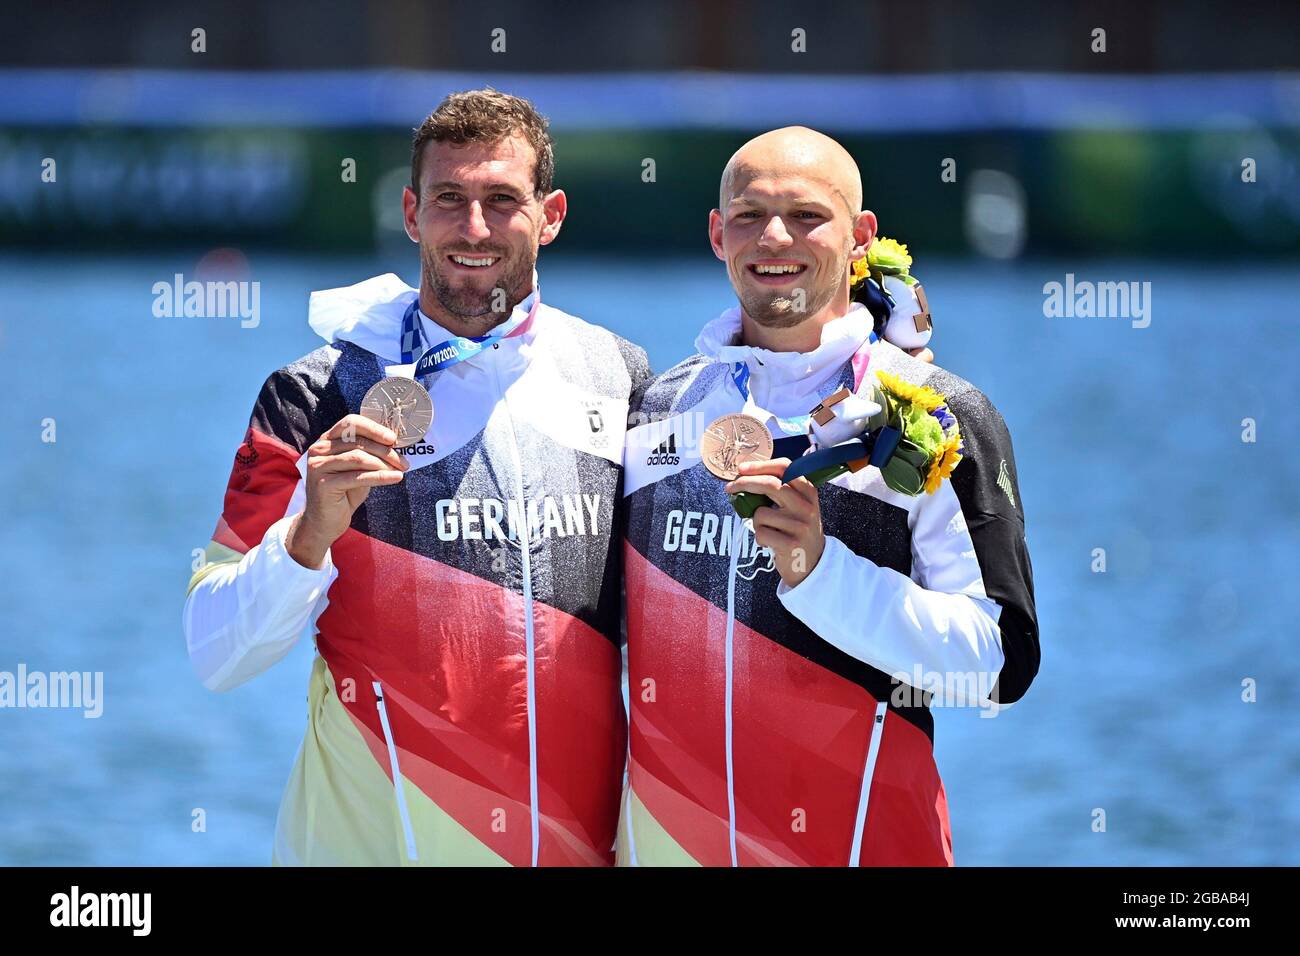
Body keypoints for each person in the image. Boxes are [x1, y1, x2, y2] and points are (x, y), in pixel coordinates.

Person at [182, 89, 650, 866]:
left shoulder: (621, 377)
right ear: (409, 213)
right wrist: (307, 534)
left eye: (502, 199)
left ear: (552, 213)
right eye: (449, 199)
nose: (474, 228)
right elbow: (215, 655)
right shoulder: (315, 392)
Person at [616, 127, 1039, 866]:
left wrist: (820, 571)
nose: (774, 237)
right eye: (748, 216)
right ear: (718, 235)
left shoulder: (941, 415)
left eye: (807, 215)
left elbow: (999, 667)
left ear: (858, 235)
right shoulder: (659, 409)